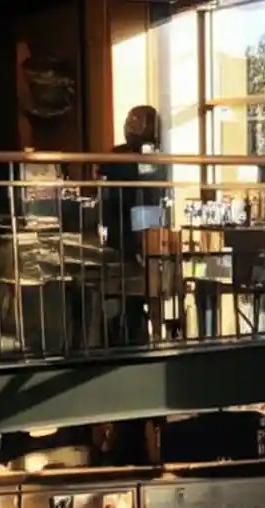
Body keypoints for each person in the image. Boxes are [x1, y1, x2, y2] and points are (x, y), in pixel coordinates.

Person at [99, 105, 168, 344]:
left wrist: (142, 241)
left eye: (138, 120)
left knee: (141, 290)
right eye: (129, 118)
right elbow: (106, 197)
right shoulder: (117, 156)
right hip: (119, 228)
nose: (130, 124)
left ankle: (145, 332)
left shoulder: (154, 158)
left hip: (141, 232)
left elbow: (151, 199)